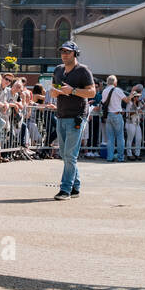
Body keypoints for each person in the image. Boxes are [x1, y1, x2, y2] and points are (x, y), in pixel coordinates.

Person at [49, 41, 95, 199]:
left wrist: (73, 91)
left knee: (69, 154)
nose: (64, 54)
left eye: (68, 52)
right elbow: (54, 88)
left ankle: (65, 189)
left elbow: (92, 93)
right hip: (61, 115)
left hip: (76, 117)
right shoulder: (58, 70)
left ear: (75, 53)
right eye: (62, 52)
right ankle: (75, 186)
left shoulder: (83, 70)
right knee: (64, 153)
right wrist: (54, 92)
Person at [99, 75, 127, 163]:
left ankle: (110, 157)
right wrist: (132, 93)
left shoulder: (104, 91)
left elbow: (103, 102)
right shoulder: (118, 90)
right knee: (120, 137)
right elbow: (127, 100)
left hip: (108, 116)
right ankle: (120, 158)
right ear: (115, 82)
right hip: (117, 114)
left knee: (110, 138)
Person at [124, 85, 144, 160]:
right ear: (133, 97)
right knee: (130, 139)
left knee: (139, 138)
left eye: (138, 97)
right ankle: (129, 154)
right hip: (130, 123)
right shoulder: (129, 103)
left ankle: (137, 153)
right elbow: (128, 114)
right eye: (136, 96)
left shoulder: (139, 103)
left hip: (137, 123)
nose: (138, 98)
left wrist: (142, 107)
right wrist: (137, 111)